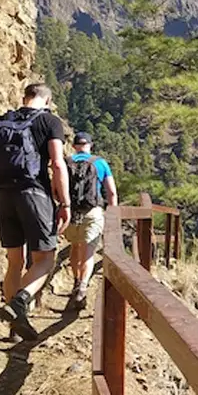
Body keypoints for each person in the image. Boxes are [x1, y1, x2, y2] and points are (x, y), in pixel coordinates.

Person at [0, 83, 70, 341]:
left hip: (3, 196)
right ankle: (20, 302)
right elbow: (58, 165)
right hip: (34, 194)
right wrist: (65, 204)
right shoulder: (50, 122)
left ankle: (15, 329)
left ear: (24, 98)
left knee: (14, 262)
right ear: (47, 100)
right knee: (45, 259)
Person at [64, 132, 117, 310]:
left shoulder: (66, 161)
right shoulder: (100, 163)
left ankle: (76, 281)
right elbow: (111, 192)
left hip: (71, 212)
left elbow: (57, 188)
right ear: (90, 145)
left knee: (75, 247)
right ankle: (83, 287)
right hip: (92, 212)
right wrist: (112, 214)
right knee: (88, 253)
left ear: (74, 146)